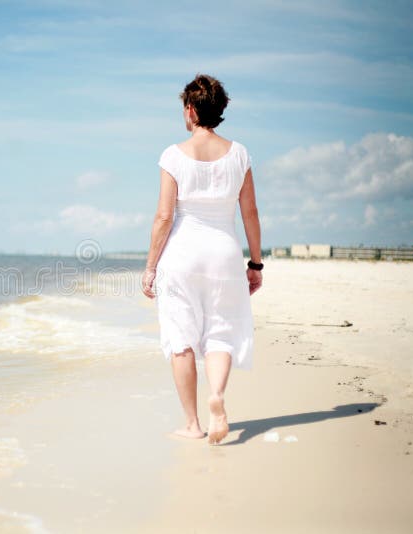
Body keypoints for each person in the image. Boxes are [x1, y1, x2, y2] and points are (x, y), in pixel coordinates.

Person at [141, 74, 263, 445]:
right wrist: (255, 264)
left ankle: (193, 424)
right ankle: (218, 397)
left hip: (182, 254)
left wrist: (150, 267)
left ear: (190, 109)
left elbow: (164, 217)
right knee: (221, 332)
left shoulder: (173, 155)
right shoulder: (239, 153)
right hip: (224, 252)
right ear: (219, 109)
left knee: (182, 339)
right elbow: (251, 213)